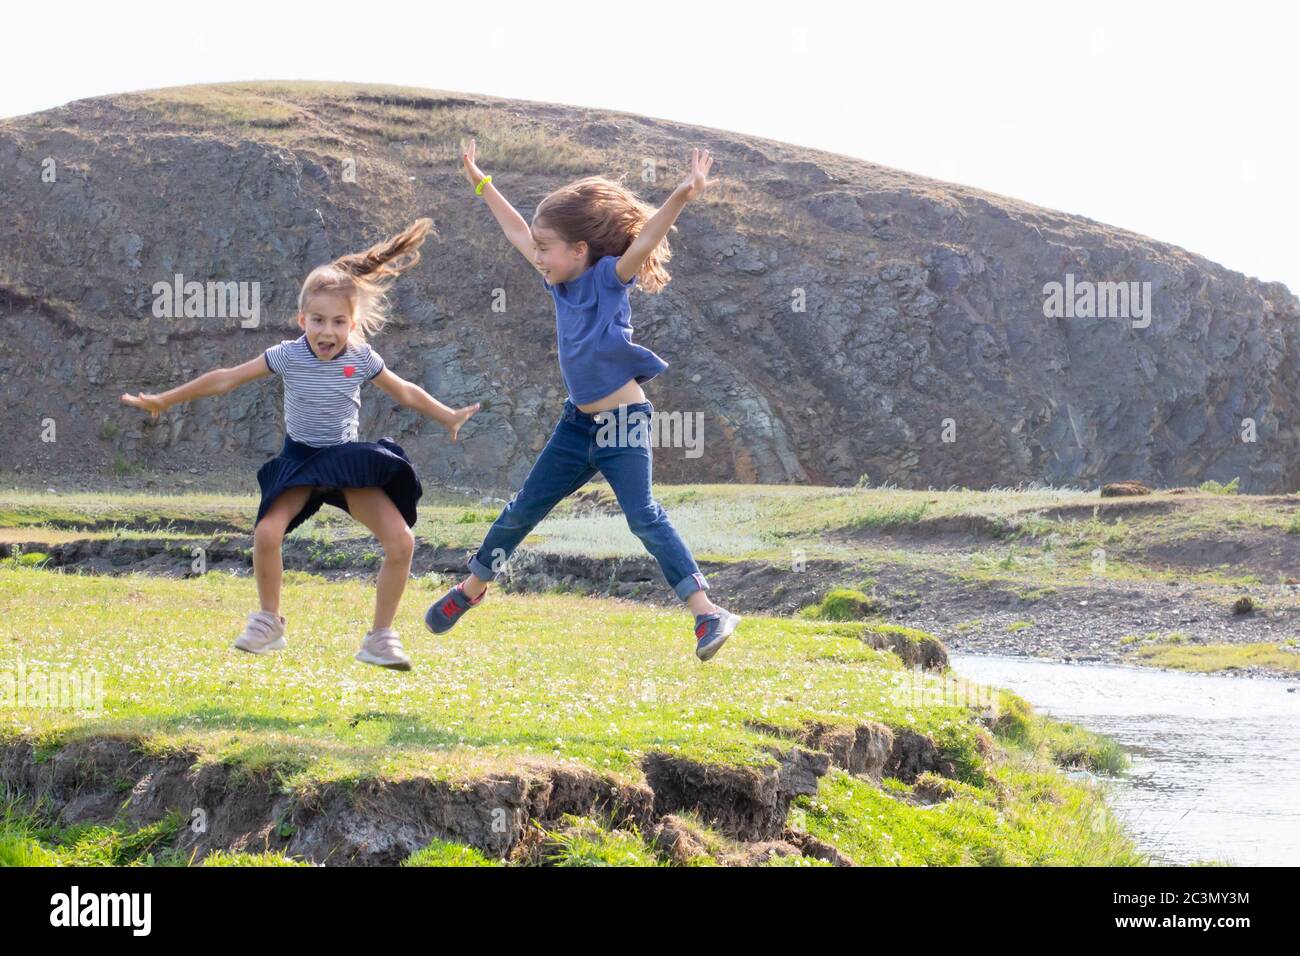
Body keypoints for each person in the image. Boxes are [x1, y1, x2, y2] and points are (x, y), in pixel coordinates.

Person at [424, 141, 740, 661]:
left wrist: (683, 194)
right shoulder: (557, 281)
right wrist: (479, 180)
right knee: (523, 509)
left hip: (623, 424)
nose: (538, 255)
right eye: (539, 248)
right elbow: (514, 231)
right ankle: (472, 588)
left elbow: (645, 242)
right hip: (577, 426)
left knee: (643, 517)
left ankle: (707, 614)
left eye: (546, 247)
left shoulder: (605, 279)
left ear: (579, 251)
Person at [122, 218, 479, 670]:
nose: (326, 331)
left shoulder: (360, 359)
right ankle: (269, 622)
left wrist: (446, 414)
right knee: (267, 533)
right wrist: (165, 399)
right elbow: (226, 379)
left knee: (402, 542)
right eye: (317, 320)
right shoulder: (286, 355)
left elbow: (405, 389)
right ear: (301, 320)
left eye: (337, 322)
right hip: (301, 459)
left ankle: (381, 638)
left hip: (346, 463)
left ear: (352, 324)